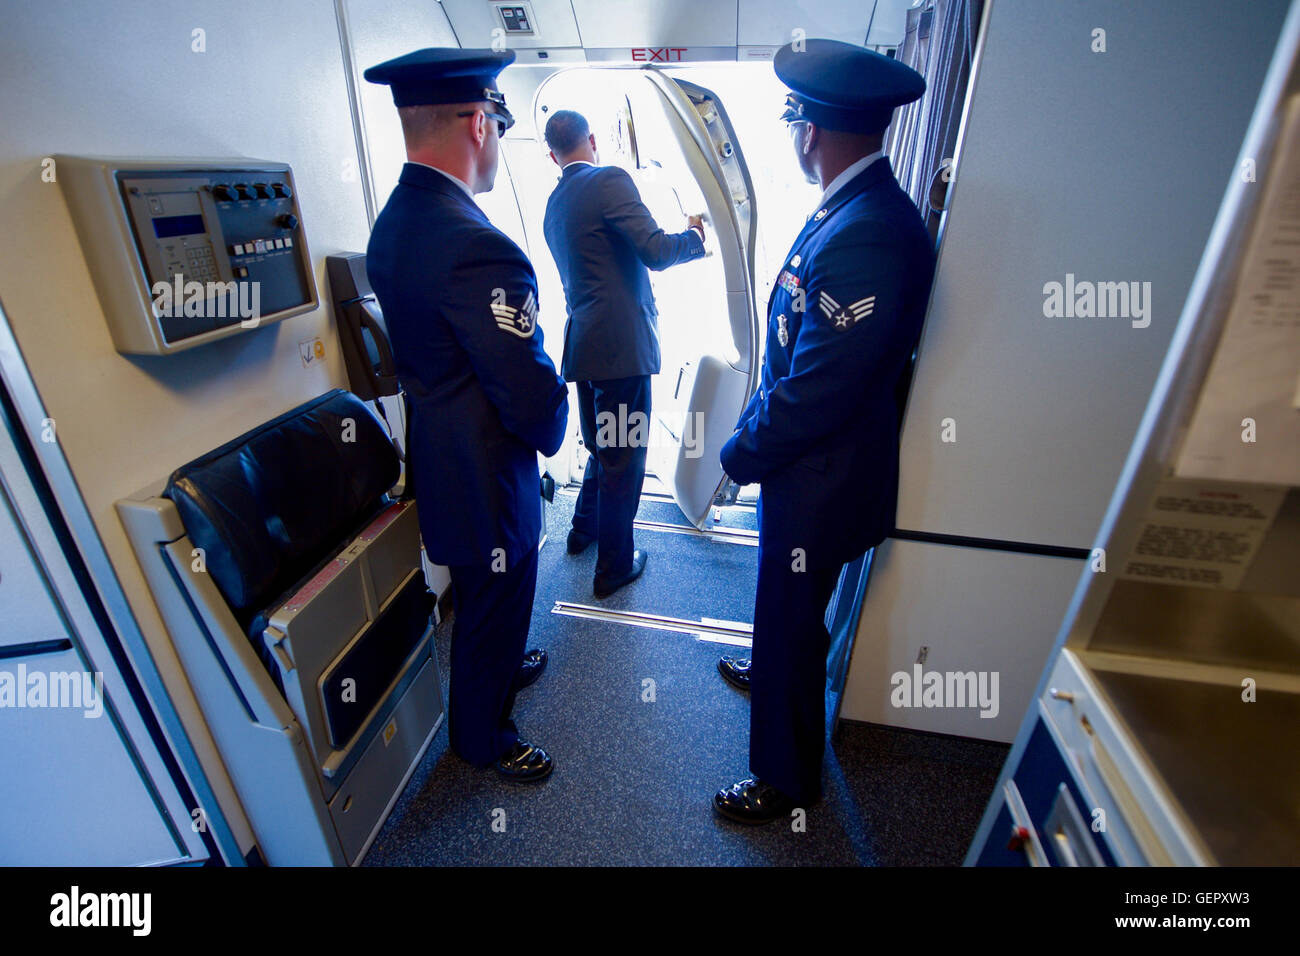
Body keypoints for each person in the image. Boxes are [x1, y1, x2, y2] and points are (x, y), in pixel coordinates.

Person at [712, 39, 936, 823]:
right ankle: (778, 672)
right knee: (789, 614)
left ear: (809, 131)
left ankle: (784, 778)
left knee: (789, 613)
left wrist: (738, 453)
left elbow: (816, 387)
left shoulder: (869, 229)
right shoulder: (855, 207)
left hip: (821, 474)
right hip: (816, 467)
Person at [364, 48, 568, 782]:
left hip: (442, 455)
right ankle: (482, 736)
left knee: (486, 594)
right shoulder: (476, 245)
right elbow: (524, 388)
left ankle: (503, 663)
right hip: (486, 469)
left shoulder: (396, 222)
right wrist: (557, 425)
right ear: (479, 122)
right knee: (497, 593)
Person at [541, 110, 706, 598]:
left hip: (585, 351)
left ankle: (583, 529)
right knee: (624, 459)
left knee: (601, 449)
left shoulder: (554, 201)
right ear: (591, 140)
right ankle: (612, 567)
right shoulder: (609, 179)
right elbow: (654, 250)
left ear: (552, 155)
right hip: (621, 353)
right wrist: (694, 239)